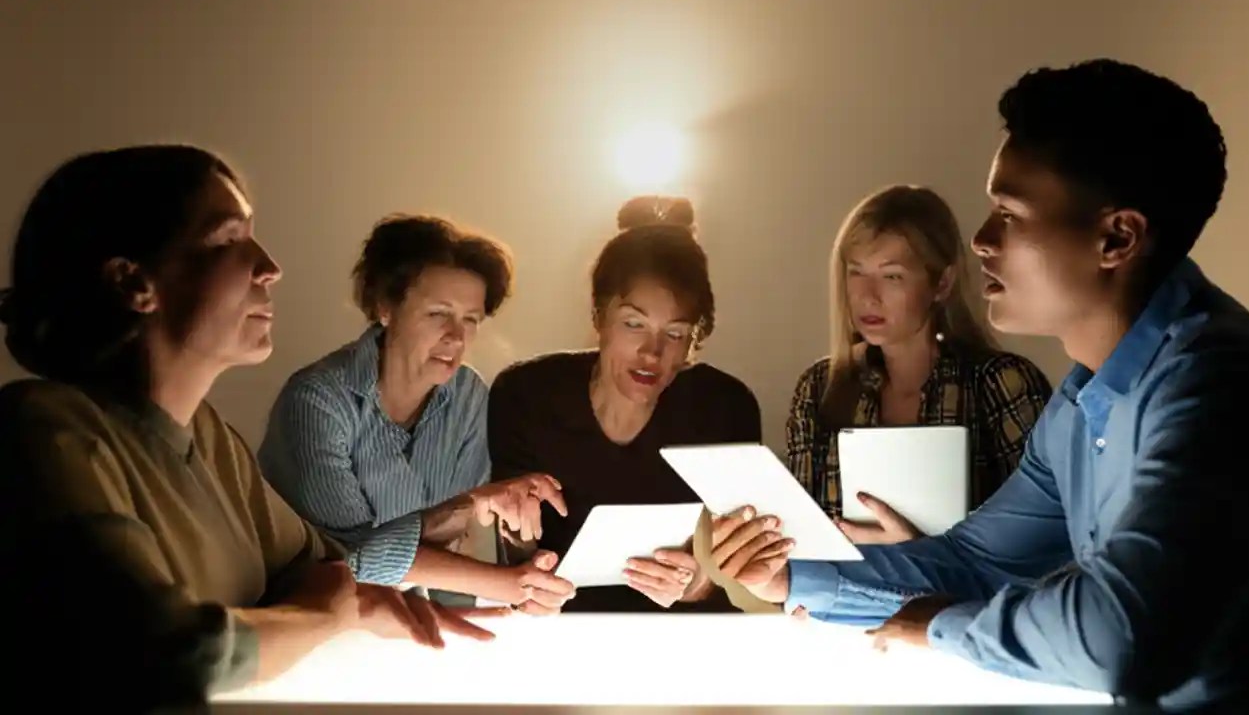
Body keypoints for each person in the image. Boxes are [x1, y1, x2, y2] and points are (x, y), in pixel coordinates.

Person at [710, 59, 1249, 710]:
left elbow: (1117, 635)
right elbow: (977, 561)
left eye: (1009, 213)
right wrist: (793, 576)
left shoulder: (1218, 388)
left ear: (1116, 238)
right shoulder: (1083, 401)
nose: (980, 242)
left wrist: (943, 628)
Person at [0, 146, 507, 705]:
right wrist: (323, 615)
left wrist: (361, 599)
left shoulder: (211, 438)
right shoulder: (43, 429)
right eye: (228, 240)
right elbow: (163, 653)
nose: (269, 266)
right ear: (132, 283)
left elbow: (322, 565)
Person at [259, 215, 574, 614]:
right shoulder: (317, 402)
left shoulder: (467, 395)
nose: (456, 337)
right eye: (438, 313)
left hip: (412, 623)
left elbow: (459, 542)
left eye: (470, 320)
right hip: (307, 623)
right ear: (385, 307)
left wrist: (522, 566)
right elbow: (345, 561)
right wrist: (505, 580)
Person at [487, 195, 762, 612]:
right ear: (599, 317)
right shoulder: (525, 393)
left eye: (675, 333)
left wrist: (692, 584)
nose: (652, 353)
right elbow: (514, 546)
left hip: (684, 625)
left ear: (695, 337)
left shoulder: (724, 405)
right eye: (634, 324)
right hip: (558, 622)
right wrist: (526, 575)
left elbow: (732, 555)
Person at [787, 184, 1050, 544]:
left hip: (965, 599)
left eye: (891, 275)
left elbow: (1043, 540)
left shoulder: (1002, 383)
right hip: (841, 598)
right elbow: (805, 538)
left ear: (941, 283)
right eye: (856, 272)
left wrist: (924, 552)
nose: (868, 296)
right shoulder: (820, 387)